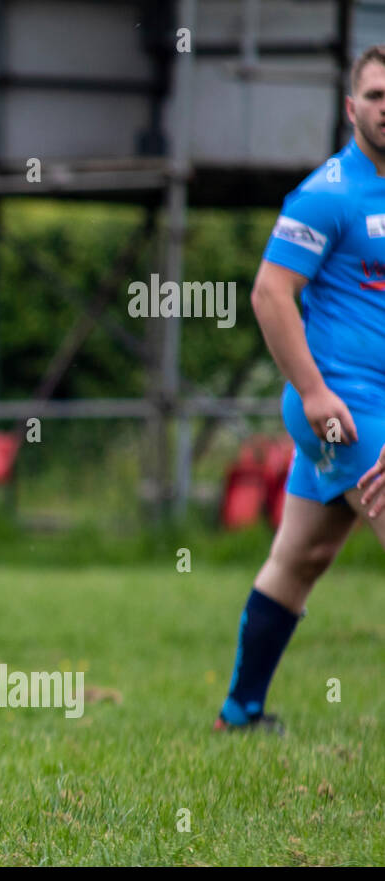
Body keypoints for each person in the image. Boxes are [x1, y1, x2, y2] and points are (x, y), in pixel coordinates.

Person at [214, 45, 385, 733]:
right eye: (375, 95)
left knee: (302, 555)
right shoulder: (326, 192)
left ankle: (241, 710)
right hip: (341, 407)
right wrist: (314, 394)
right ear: (352, 109)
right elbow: (269, 293)